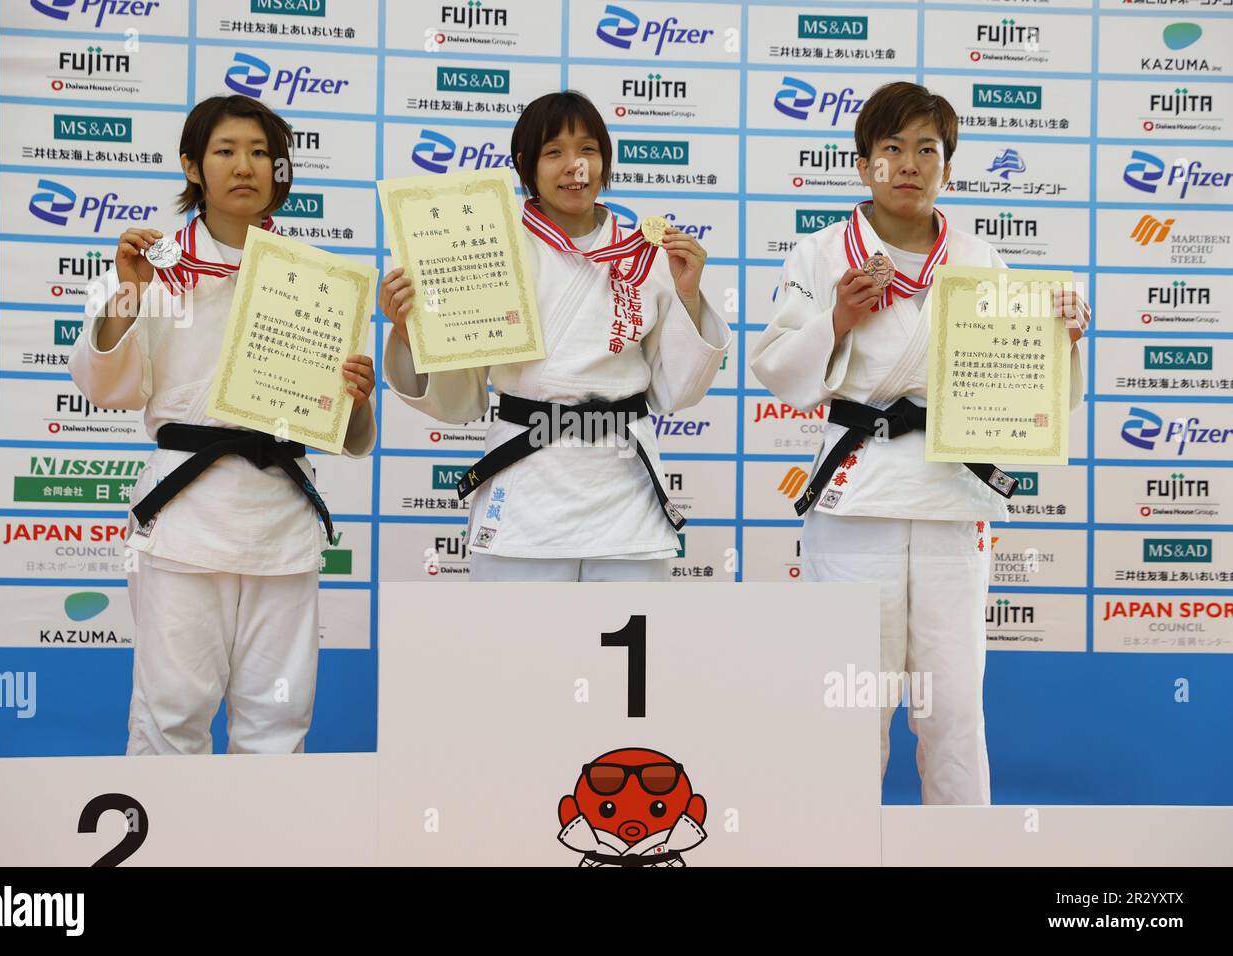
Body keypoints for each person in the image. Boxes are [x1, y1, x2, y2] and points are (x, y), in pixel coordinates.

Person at [750, 82, 1090, 805]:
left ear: (949, 167)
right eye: (891, 148)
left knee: (955, 710)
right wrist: (837, 318)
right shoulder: (819, 256)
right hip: (855, 498)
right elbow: (777, 371)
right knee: (848, 707)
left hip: (948, 494)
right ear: (863, 162)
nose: (908, 163)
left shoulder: (979, 259)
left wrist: (1059, 340)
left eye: (926, 150)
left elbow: (1021, 391)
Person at [69, 95, 377, 755]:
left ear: (281, 169)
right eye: (226, 151)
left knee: (277, 724)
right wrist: (128, 292)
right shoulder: (150, 264)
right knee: (171, 716)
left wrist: (357, 397)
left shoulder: (316, 277)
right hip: (185, 515)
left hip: (280, 518)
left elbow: (344, 433)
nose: (246, 166)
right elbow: (104, 385)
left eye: (262, 153)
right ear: (191, 165)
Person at [379, 90, 729, 582]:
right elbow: (459, 395)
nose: (575, 166)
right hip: (528, 488)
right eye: (554, 152)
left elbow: (676, 390)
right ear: (526, 165)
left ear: (605, 161)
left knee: (628, 654)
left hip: (622, 485)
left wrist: (688, 296)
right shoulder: (486, 246)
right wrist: (413, 330)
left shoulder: (645, 255)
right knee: (518, 655)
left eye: (588, 150)